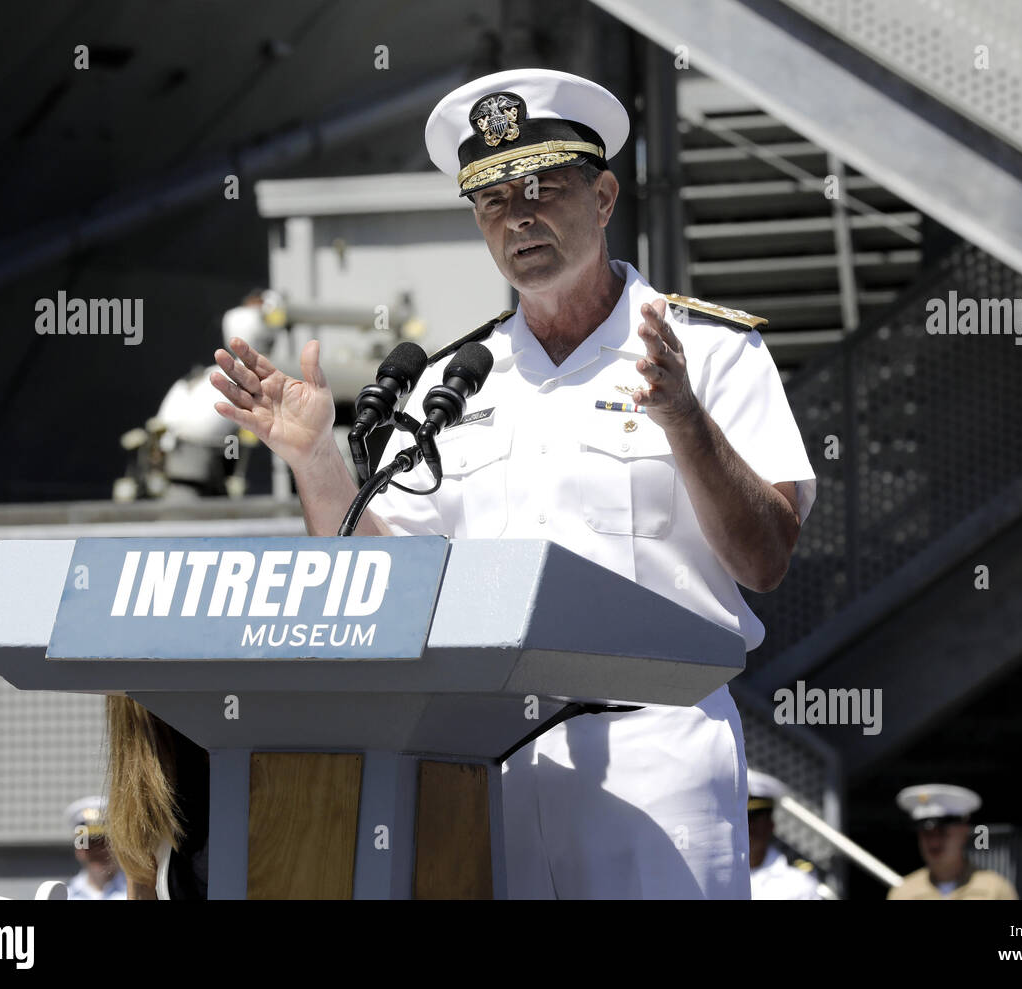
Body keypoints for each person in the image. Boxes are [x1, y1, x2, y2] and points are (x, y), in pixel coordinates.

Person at [210, 68, 816, 899]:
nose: (518, 217)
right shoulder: (453, 383)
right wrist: (315, 457)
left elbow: (766, 555)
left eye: (541, 187)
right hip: (487, 756)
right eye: (493, 201)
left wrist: (683, 418)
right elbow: (388, 590)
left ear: (603, 198)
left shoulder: (709, 353)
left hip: (657, 750)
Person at [887, 784, 1017, 900]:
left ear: (963, 831)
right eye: (926, 834)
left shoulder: (995, 890)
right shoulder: (903, 894)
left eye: (942, 832)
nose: (934, 842)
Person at [747, 769, 822, 900]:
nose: (748, 826)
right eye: (742, 819)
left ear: (770, 825)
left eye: (754, 818)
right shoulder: (713, 876)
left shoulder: (798, 882)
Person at [64, 796, 127, 900]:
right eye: (90, 842)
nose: (99, 850)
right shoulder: (65, 895)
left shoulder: (141, 893)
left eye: (105, 842)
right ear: (79, 849)